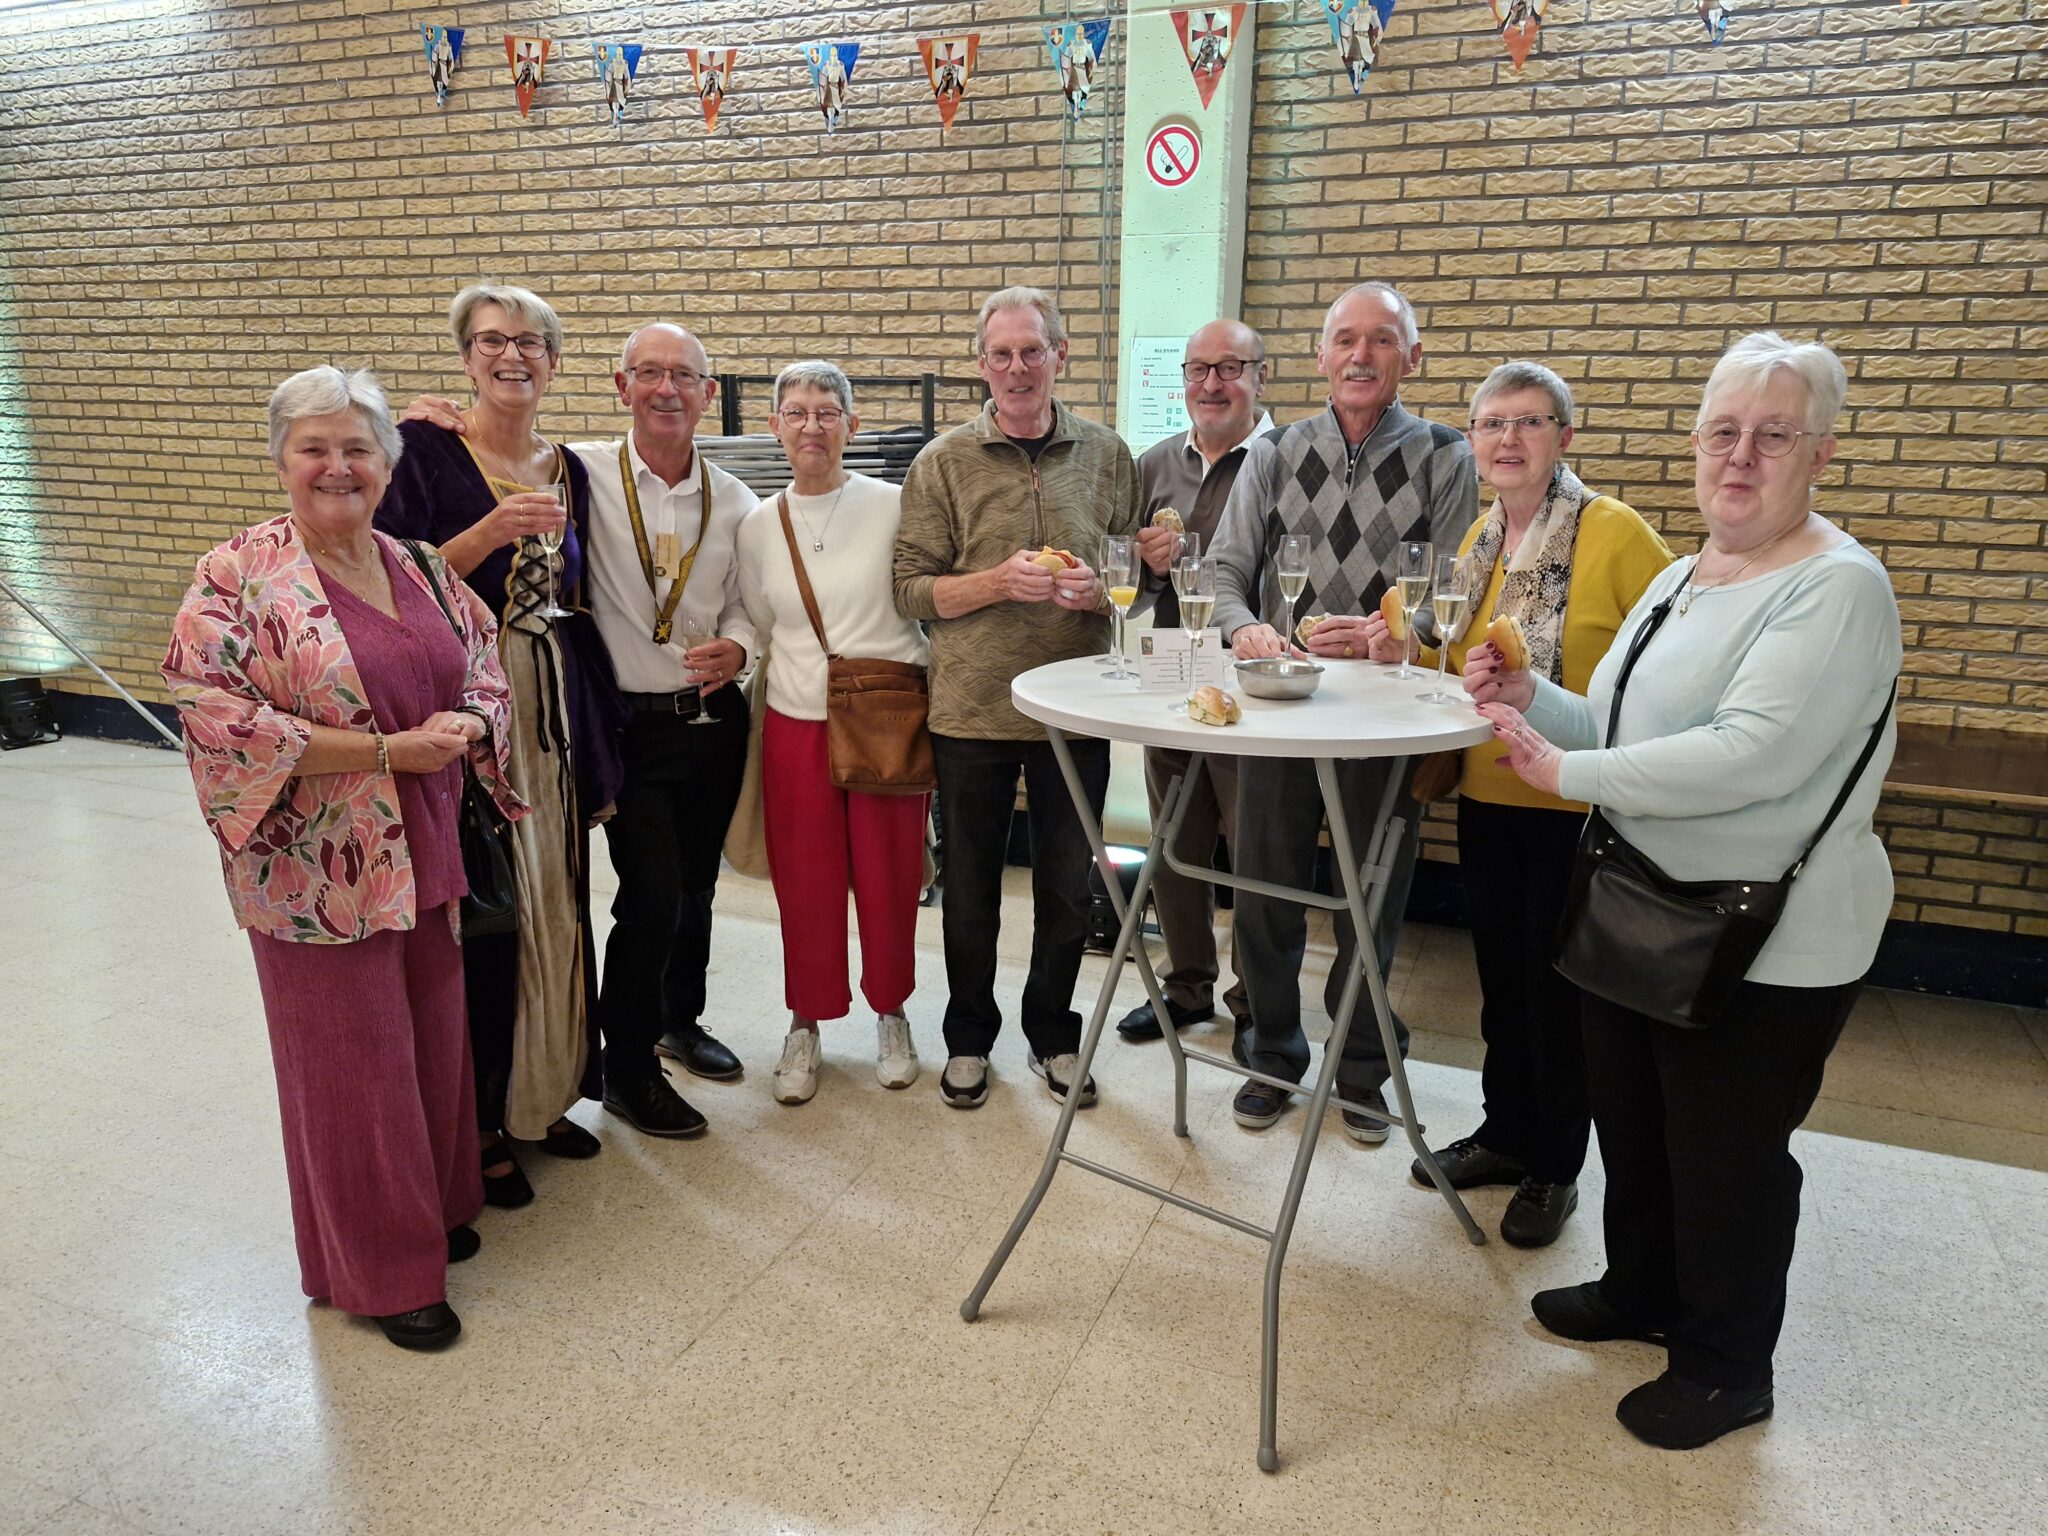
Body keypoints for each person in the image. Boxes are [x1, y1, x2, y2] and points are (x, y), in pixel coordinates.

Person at [1470, 332, 1900, 1448]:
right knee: (1639, 1125)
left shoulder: (1835, 587)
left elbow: (1750, 757)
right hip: (1643, 910)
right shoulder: (1681, 578)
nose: (1738, 457)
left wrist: (1566, 777)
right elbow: (1615, 725)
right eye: (1722, 432)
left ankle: (1725, 1367)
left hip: (1766, 938)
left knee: (1726, 1155)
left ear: (1820, 453)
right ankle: (1642, 1290)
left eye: (1772, 435)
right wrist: (1532, 697)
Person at [162, 367, 523, 1352]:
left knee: (432, 1040)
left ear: (387, 464)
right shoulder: (236, 576)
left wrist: (470, 723)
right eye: (313, 448)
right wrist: (384, 753)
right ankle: (381, 1272)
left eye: (357, 448)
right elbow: (215, 717)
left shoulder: (419, 563)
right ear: (281, 459)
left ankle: (434, 1209)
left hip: (426, 844)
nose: (337, 467)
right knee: (352, 1069)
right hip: (314, 872)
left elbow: (483, 663)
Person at [409, 321, 759, 1140]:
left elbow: (748, 601)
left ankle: (678, 1022)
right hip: (624, 722)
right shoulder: (581, 471)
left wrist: (741, 645)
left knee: (695, 893)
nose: (666, 389)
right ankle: (628, 1068)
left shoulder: (736, 499)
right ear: (620, 386)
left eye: (684, 375)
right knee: (653, 898)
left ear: (708, 393)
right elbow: (498, 437)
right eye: (649, 373)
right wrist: (432, 415)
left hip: (712, 720)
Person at [1359, 360, 1671, 1246]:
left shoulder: (1614, 533)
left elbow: (1664, 667)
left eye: (1529, 422)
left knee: (1557, 996)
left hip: (1573, 799)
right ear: (1473, 442)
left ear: (1563, 437)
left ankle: (1554, 1168)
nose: (1508, 439)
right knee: (1502, 984)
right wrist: (1400, 651)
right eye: (1491, 424)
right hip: (1492, 788)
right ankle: (1506, 1133)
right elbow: (1465, 660)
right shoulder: (1481, 537)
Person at [1213, 280, 1477, 1140]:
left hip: (1384, 721)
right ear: (1321, 355)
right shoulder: (1273, 452)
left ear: (1412, 357)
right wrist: (1246, 628)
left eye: (1383, 340)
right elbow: (1224, 573)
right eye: (1346, 340)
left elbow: (1457, 594)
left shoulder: (1447, 455)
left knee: (1372, 898)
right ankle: (1273, 1053)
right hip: (1279, 711)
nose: (1361, 355)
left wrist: (1395, 633)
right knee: (1264, 894)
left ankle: (1361, 1064)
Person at [381, 283, 619, 1210]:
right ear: (465, 357)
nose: (511, 355)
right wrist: (487, 532)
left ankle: (544, 1092)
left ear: (554, 362)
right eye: (491, 340)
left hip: (552, 701)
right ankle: (481, 1118)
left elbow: (578, 597)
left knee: (558, 895)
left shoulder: (569, 468)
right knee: (493, 901)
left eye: (530, 341)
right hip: (474, 701)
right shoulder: (426, 451)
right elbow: (387, 583)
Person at [895, 285, 1140, 1109]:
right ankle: (968, 1038)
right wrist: (996, 581)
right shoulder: (941, 462)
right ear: (982, 366)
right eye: (1000, 354)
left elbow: (1130, 575)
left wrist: (1101, 592)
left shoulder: (1108, 454)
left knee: (1068, 884)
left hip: (1078, 708)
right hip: (971, 709)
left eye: (1032, 350)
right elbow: (910, 589)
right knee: (970, 888)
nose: (1017, 367)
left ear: (1060, 355)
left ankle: (1053, 1033)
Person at [737, 361, 931, 1104]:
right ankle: (805, 1021)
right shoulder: (759, 524)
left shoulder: (893, 505)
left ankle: (892, 1013)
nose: (811, 426)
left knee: (890, 877)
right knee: (806, 883)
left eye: (827, 412)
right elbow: (761, 621)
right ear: (774, 426)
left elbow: (918, 596)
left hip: (885, 718)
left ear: (852, 424)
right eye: (796, 412)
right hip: (796, 723)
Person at [1115, 319, 1273, 1048]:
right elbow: (1131, 592)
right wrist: (1145, 565)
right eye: (1198, 369)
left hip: (1255, 690)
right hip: (1173, 679)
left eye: (1229, 368)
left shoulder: (1284, 459)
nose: (1212, 384)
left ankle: (1256, 1001)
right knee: (1174, 840)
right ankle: (1185, 987)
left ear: (1260, 376)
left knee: (1255, 853)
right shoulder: (1153, 464)